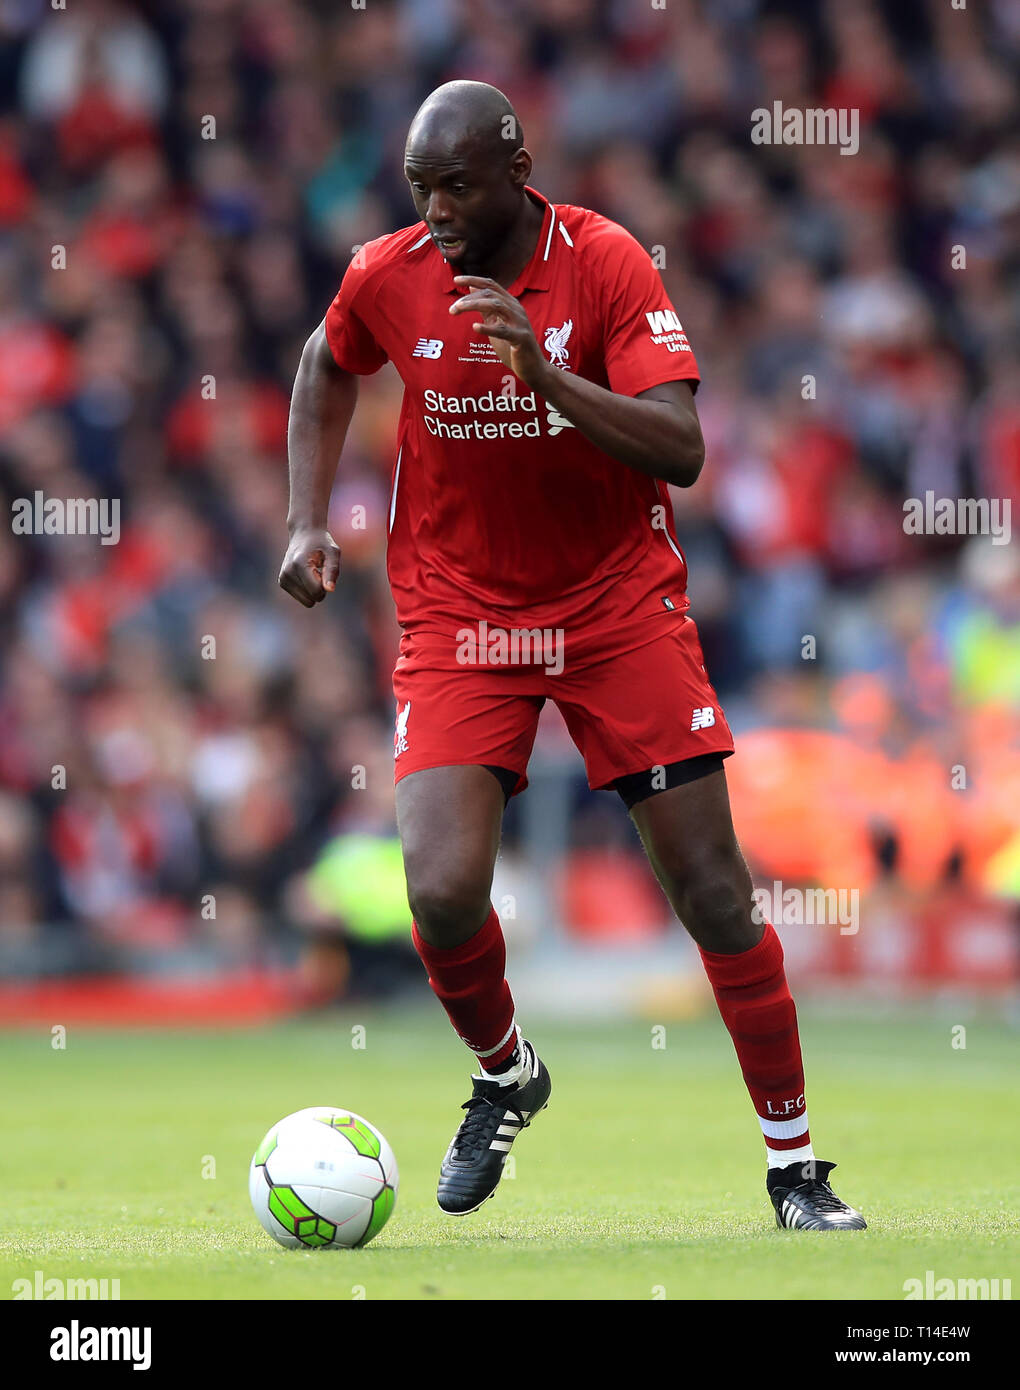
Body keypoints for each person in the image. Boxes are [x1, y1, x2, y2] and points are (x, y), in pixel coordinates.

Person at [279, 80, 866, 1232]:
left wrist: (548, 377)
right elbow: (323, 364)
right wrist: (305, 518)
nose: (438, 208)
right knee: (442, 892)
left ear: (518, 170)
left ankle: (796, 1169)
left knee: (713, 892)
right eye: (420, 188)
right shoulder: (388, 273)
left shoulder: (604, 266)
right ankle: (506, 1074)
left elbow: (684, 446)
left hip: (614, 607)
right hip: (460, 617)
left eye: (458, 185)